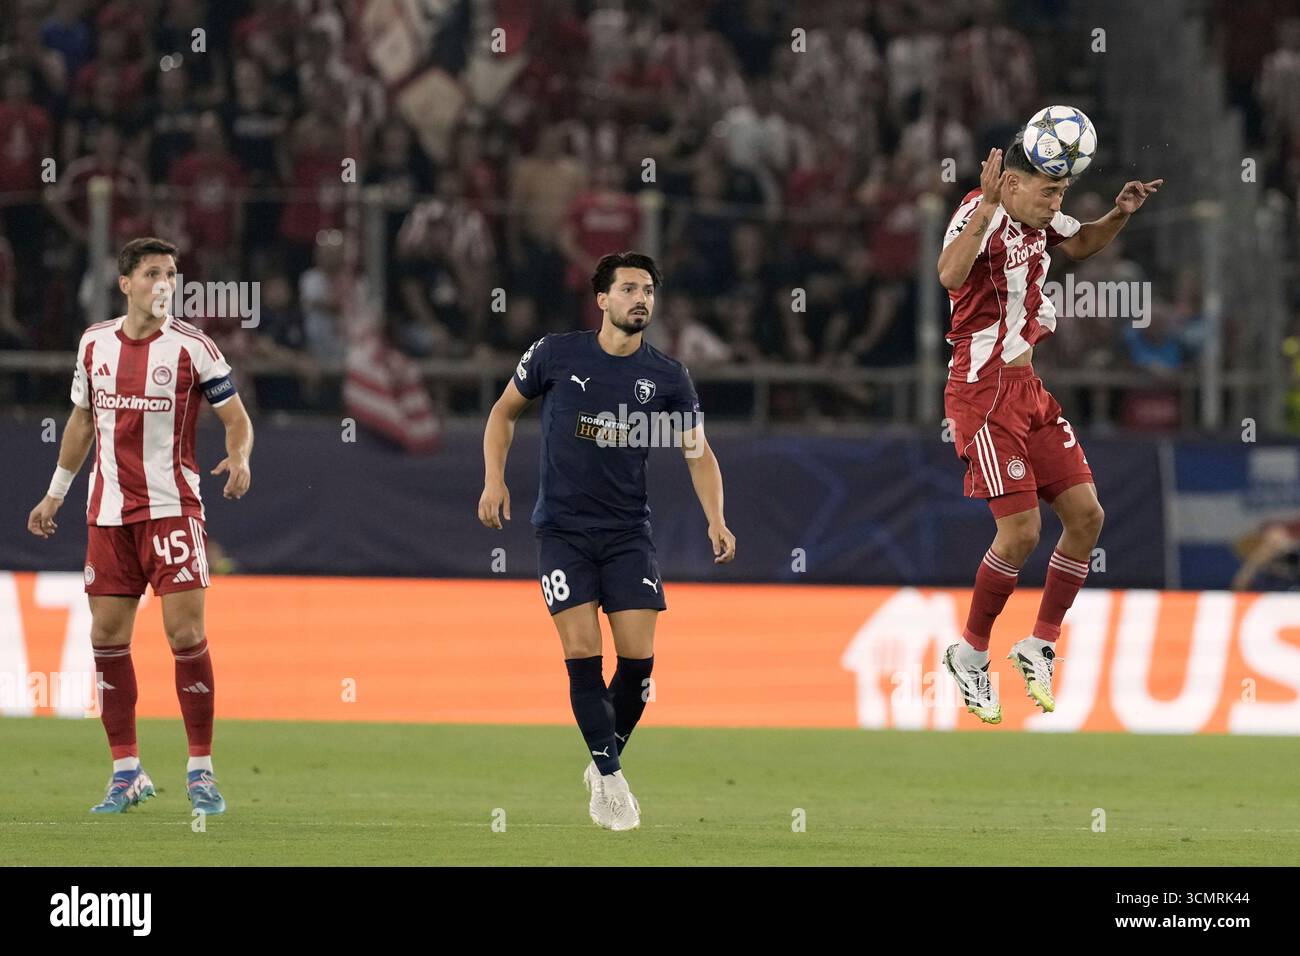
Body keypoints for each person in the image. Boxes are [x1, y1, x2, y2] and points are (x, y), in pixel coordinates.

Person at [477, 251, 736, 830]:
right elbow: (502, 413)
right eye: (628, 289)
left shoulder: (667, 376)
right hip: (562, 532)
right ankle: (610, 780)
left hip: (626, 534)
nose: (640, 298)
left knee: (639, 666)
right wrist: (494, 479)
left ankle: (603, 756)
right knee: (581, 654)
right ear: (602, 299)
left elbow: (699, 453)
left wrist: (716, 519)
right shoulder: (555, 355)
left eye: (647, 290)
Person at [936, 137, 1162, 722]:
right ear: (1010, 183)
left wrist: (1119, 213)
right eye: (1049, 190)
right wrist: (985, 206)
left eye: (1061, 190)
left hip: (1028, 390)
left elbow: (1084, 242)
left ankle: (1038, 644)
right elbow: (948, 274)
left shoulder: (1040, 218)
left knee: (1087, 517)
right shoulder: (978, 212)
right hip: (982, 394)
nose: (1057, 200)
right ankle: (970, 652)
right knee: (1020, 534)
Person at [26, 237, 253, 814]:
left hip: (173, 508)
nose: (163, 284)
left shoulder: (194, 347)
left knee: (183, 635)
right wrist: (55, 494)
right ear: (125, 283)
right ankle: (126, 771)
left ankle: (200, 770)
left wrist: (242, 455)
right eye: (152, 273)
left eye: (171, 274)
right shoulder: (94, 343)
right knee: (106, 637)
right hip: (107, 515)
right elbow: (81, 421)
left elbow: (236, 418)